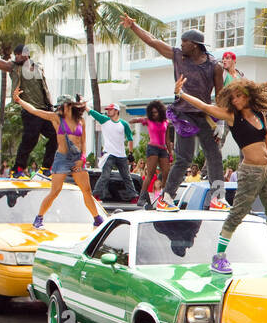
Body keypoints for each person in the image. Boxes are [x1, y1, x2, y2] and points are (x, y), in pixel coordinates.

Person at [173, 74, 267, 274]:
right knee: (237, 214)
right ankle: (219, 257)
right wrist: (181, 93)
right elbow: (206, 107)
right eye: (232, 97)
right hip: (249, 172)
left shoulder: (260, 116)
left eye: (238, 96)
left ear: (247, 96)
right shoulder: (234, 117)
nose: (235, 100)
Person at [122, 17, 227, 212]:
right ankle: (167, 198)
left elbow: (220, 96)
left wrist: (220, 123)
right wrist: (134, 26)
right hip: (183, 114)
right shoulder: (178, 56)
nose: (180, 45)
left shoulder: (215, 66)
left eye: (183, 42)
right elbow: (153, 41)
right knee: (184, 158)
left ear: (194, 45)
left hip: (203, 114)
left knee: (215, 156)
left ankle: (217, 198)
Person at [12, 89, 104, 229]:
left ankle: (97, 219)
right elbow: (35, 111)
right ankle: (39, 218)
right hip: (62, 158)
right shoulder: (55, 118)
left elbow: (83, 141)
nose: (59, 108)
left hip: (77, 159)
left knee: (86, 191)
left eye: (61, 106)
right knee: (55, 191)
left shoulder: (80, 120)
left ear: (69, 105)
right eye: (58, 106)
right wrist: (19, 100)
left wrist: (83, 158)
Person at [0, 43, 56, 175]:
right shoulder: (14, 67)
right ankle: (17, 169)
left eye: (19, 54)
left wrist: (50, 106)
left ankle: (46, 168)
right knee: (30, 140)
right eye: (15, 55)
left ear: (26, 55)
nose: (16, 57)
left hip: (44, 110)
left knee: (56, 135)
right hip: (30, 110)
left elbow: (44, 88)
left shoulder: (38, 67)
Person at [88, 103, 138, 204]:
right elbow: (92, 112)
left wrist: (131, 153)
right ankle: (96, 194)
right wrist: (83, 104)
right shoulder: (105, 120)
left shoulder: (123, 124)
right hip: (109, 154)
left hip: (121, 154)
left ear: (116, 111)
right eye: (108, 110)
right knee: (105, 176)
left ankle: (134, 196)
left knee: (127, 177)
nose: (108, 111)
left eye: (110, 110)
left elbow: (130, 138)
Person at [140, 100, 171, 204]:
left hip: (163, 149)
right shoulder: (149, 121)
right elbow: (138, 120)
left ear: (160, 112)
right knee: (151, 173)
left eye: (156, 112)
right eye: (152, 112)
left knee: (166, 172)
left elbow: (167, 140)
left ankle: (164, 193)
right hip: (152, 147)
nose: (154, 114)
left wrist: (170, 153)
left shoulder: (166, 122)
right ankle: (142, 197)